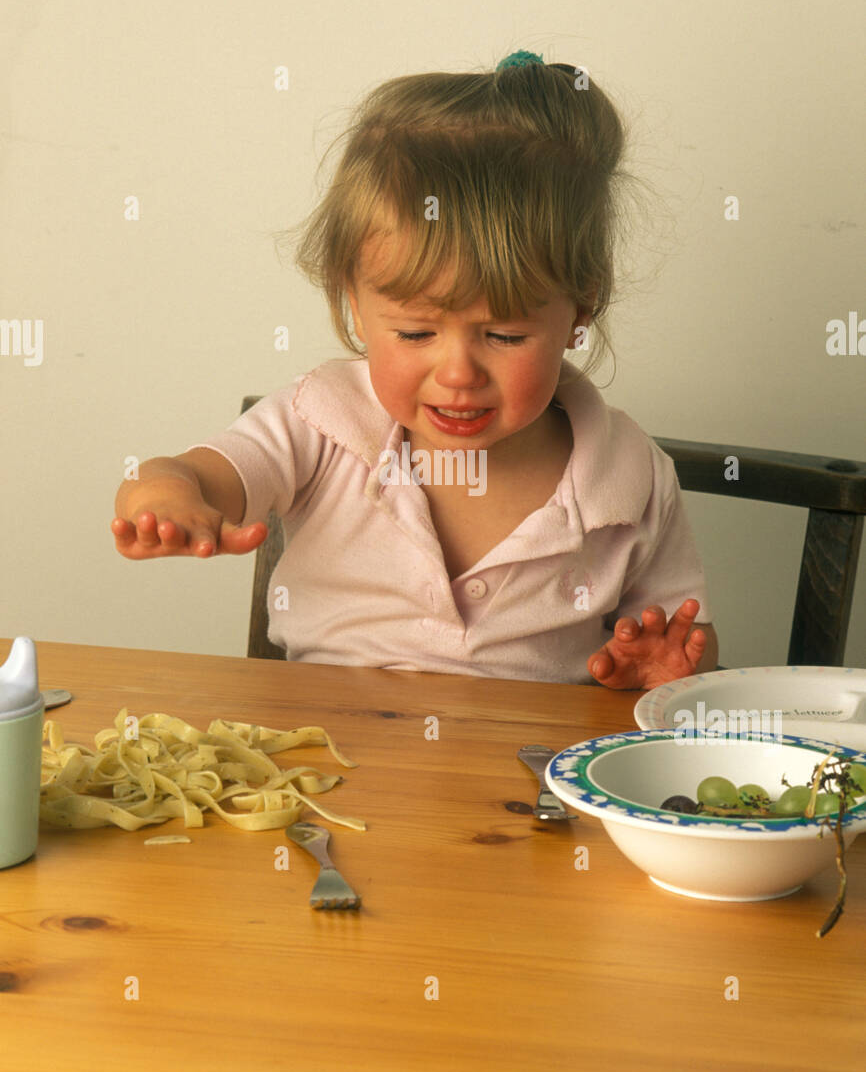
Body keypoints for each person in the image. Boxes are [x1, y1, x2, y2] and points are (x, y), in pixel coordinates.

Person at [112, 51, 718, 689]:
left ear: (580, 308)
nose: (458, 373)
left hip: (522, 778)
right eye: (415, 332)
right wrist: (167, 499)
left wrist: (669, 666)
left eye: (505, 335)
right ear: (354, 300)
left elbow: (691, 640)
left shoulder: (629, 476)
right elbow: (194, 476)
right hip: (326, 765)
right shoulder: (320, 422)